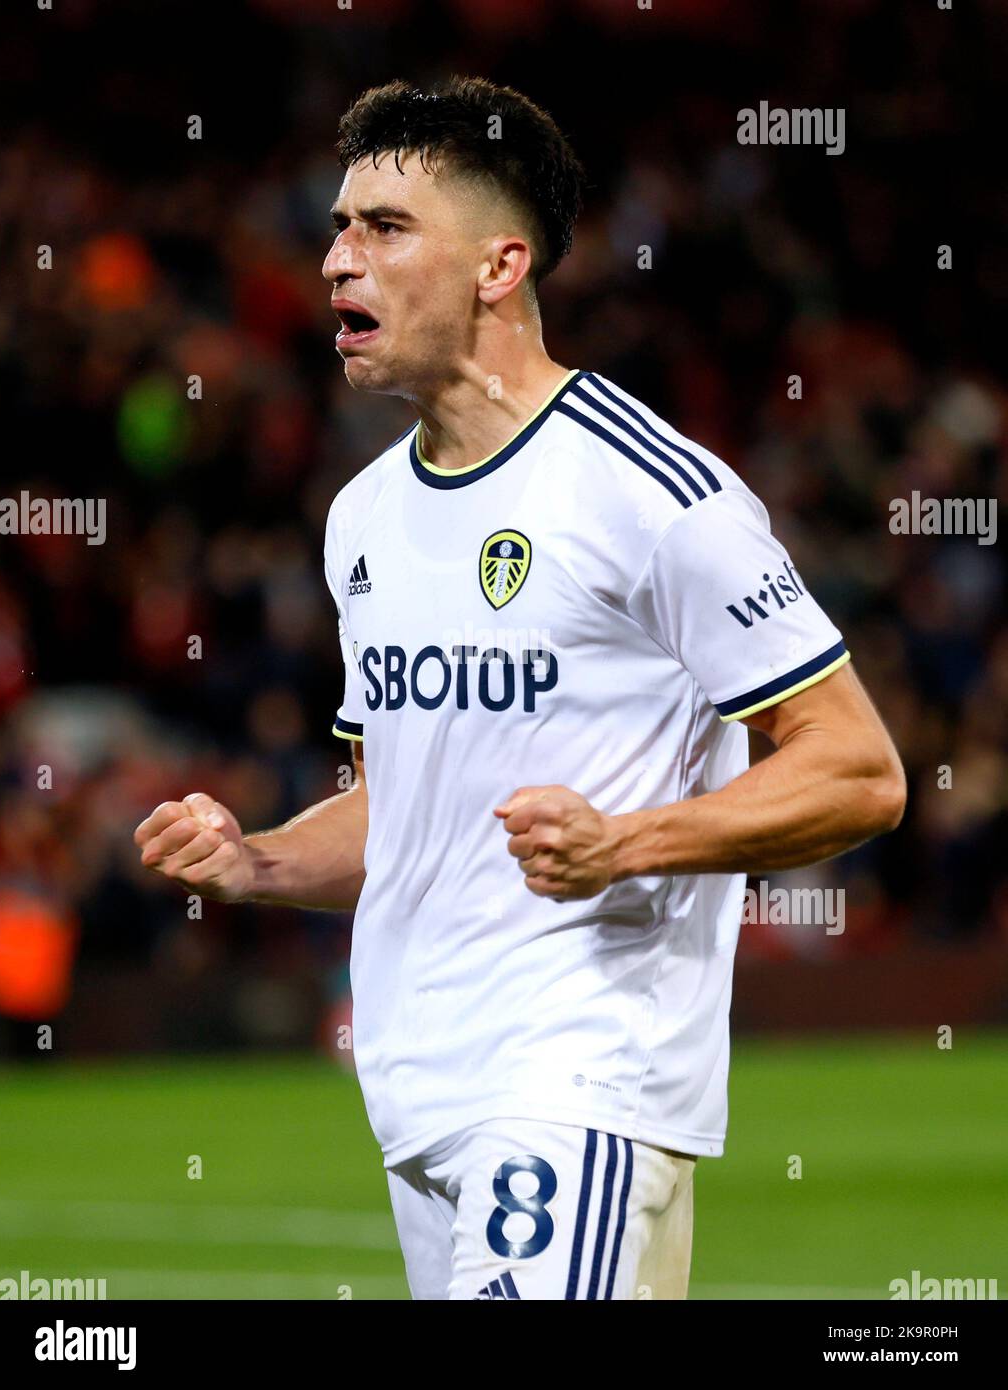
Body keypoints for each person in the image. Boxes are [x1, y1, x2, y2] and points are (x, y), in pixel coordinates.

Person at [134, 77, 906, 1300]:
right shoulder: (363, 518)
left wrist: (626, 841)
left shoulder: (651, 492)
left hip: (579, 1084)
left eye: (384, 229)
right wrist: (261, 860)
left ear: (500, 265)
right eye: (338, 227)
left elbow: (859, 769)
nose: (337, 260)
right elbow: (408, 808)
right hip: (420, 1097)